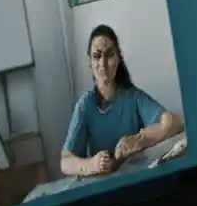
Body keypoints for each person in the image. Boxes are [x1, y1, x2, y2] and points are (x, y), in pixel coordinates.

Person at [61, 25, 183, 177]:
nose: (103, 64)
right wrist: (91, 165)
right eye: (97, 56)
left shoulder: (132, 97)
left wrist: (140, 140)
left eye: (110, 55)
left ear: (118, 59)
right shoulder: (85, 106)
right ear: (90, 63)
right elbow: (65, 161)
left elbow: (174, 122)